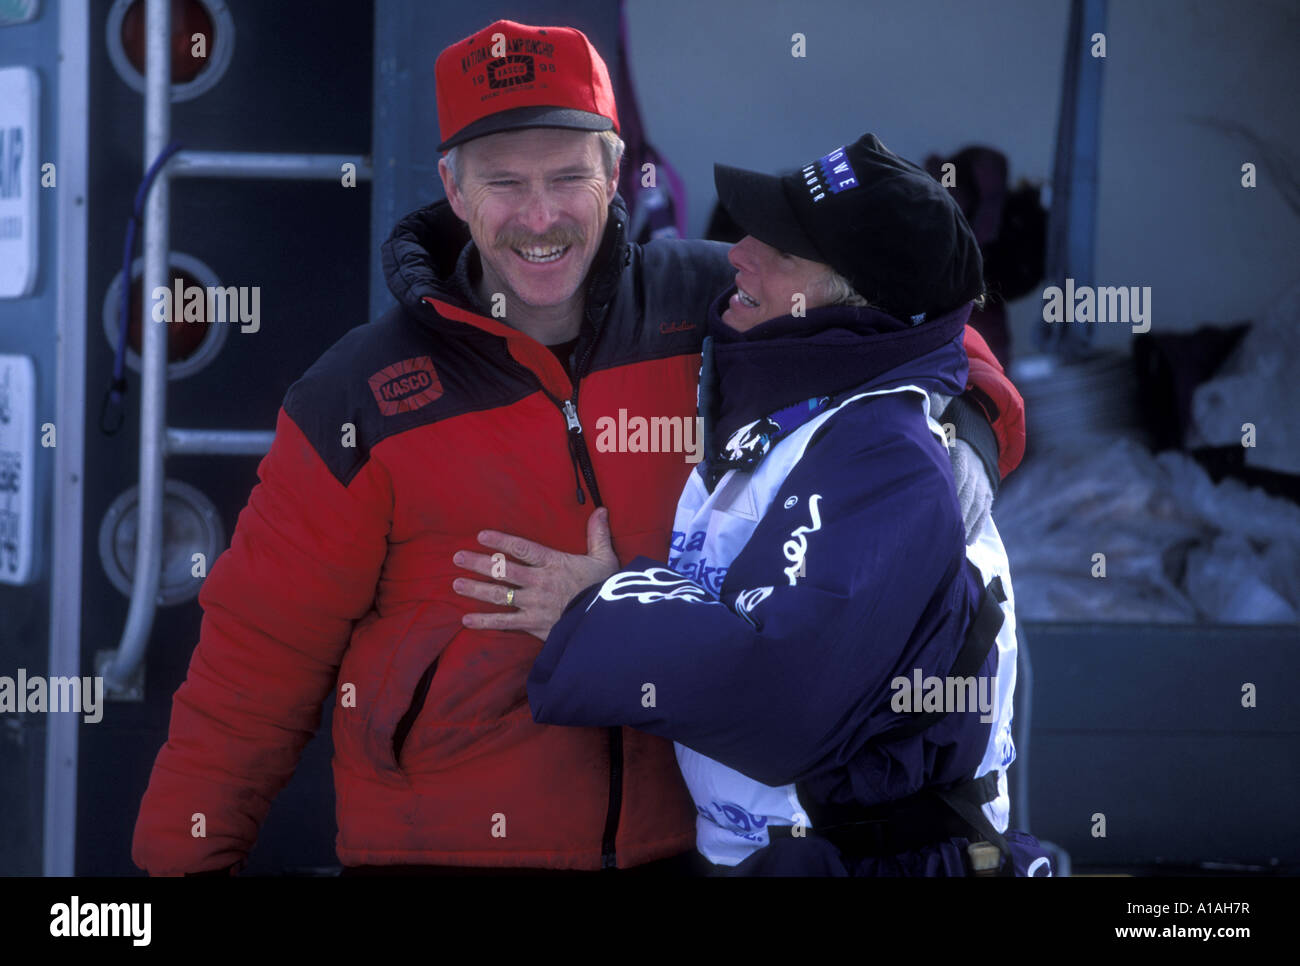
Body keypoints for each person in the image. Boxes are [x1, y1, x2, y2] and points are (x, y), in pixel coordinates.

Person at [132, 20, 1025, 875]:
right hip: (438, 856)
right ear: (453, 188)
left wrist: (957, 448)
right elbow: (253, 666)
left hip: (683, 854)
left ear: (614, 171)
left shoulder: (714, 307)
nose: (540, 217)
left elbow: (924, 342)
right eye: (503, 182)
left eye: (567, 176)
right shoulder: (360, 394)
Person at [457, 134, 1051, 876]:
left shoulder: (883, 452)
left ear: (858, 298)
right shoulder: (785, 382)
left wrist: (597, 606)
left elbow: (782, 695)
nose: (738, 253)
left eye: (784, 249)